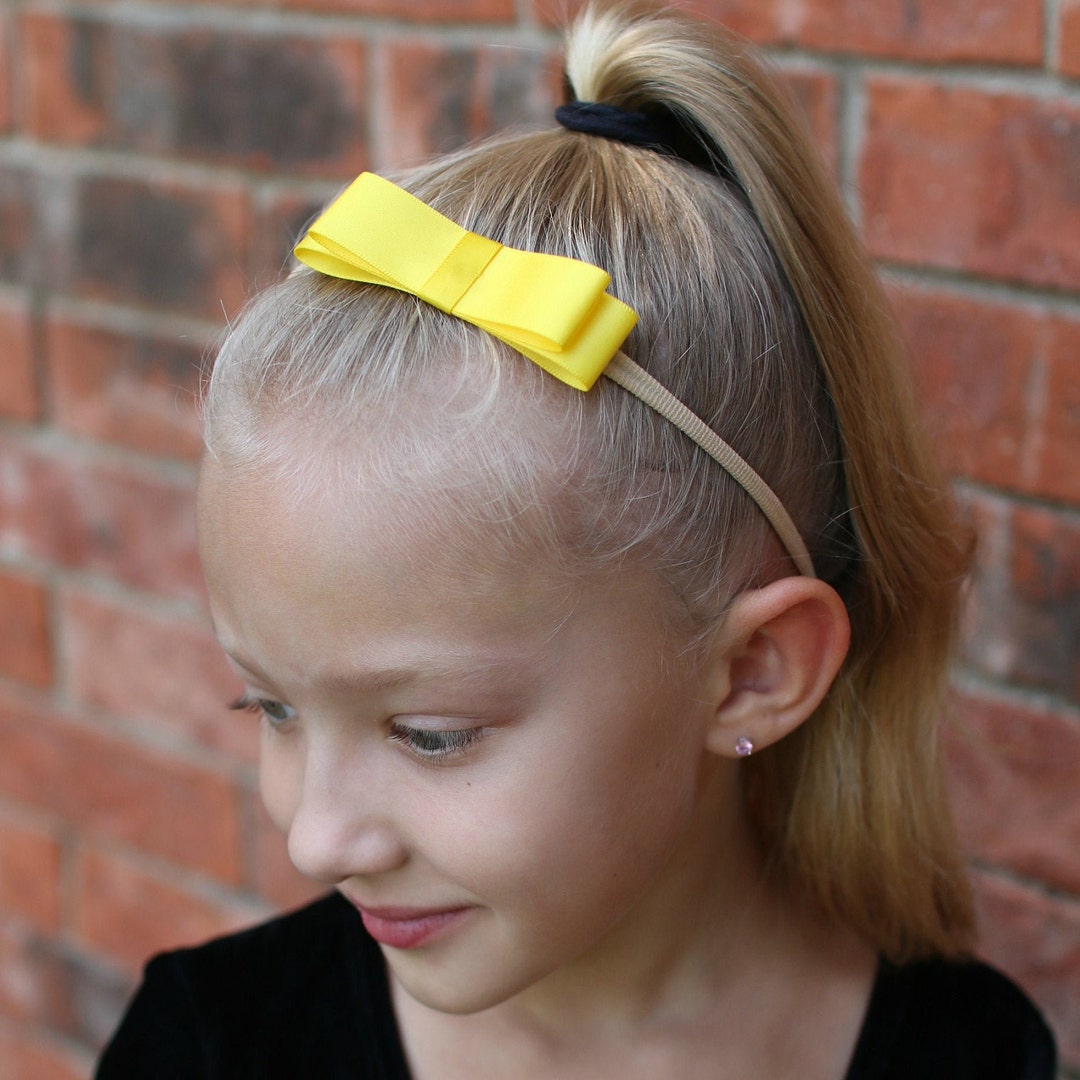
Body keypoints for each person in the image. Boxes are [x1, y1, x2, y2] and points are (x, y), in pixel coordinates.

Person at [95, 3, 1057, 1077]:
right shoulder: (214, 1049)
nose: (315, 840)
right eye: (270, 705)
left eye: (431, 734)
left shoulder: (974, 1057)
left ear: (751, 670)